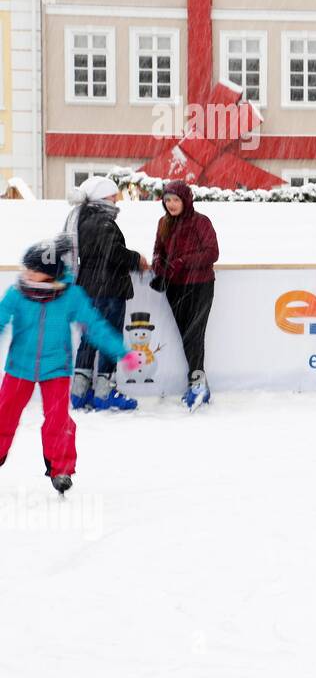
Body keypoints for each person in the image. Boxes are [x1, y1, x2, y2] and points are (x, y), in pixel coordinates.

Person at [0, 236, 142, 495]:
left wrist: (121, 352)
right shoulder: (17, 294)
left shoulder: (70, 296)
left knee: (58, 420)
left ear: (50, 274)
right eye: (27, 267)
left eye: (34, 269)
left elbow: (95, 326)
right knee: (4, 413)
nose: (27, 273)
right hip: (19, 365)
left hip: (56, 367)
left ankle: (60, 469)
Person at [63, 176, 150, 411]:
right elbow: (113, 252)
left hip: (90, 288)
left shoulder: (83, 218)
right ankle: (103, 391)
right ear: (103, 197)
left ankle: (79, 392)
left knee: (89, 338)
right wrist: (137, 259)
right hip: (108, 288)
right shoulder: (101, 221)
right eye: (113, 195)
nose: (116, 199)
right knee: (110, 338)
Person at [150, 180, 219, 410]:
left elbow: (212, 252)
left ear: (186, 200)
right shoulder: (163, 223)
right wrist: (160, 265)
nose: (171, 204)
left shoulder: (201, 222)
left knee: (194, 335)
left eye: (175, 200)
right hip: (175, 287)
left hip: (200, 285)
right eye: (167, 200)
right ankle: (199, 383)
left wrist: (182, 262)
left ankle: (198, 384)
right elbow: (157, 251)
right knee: (186, 336)